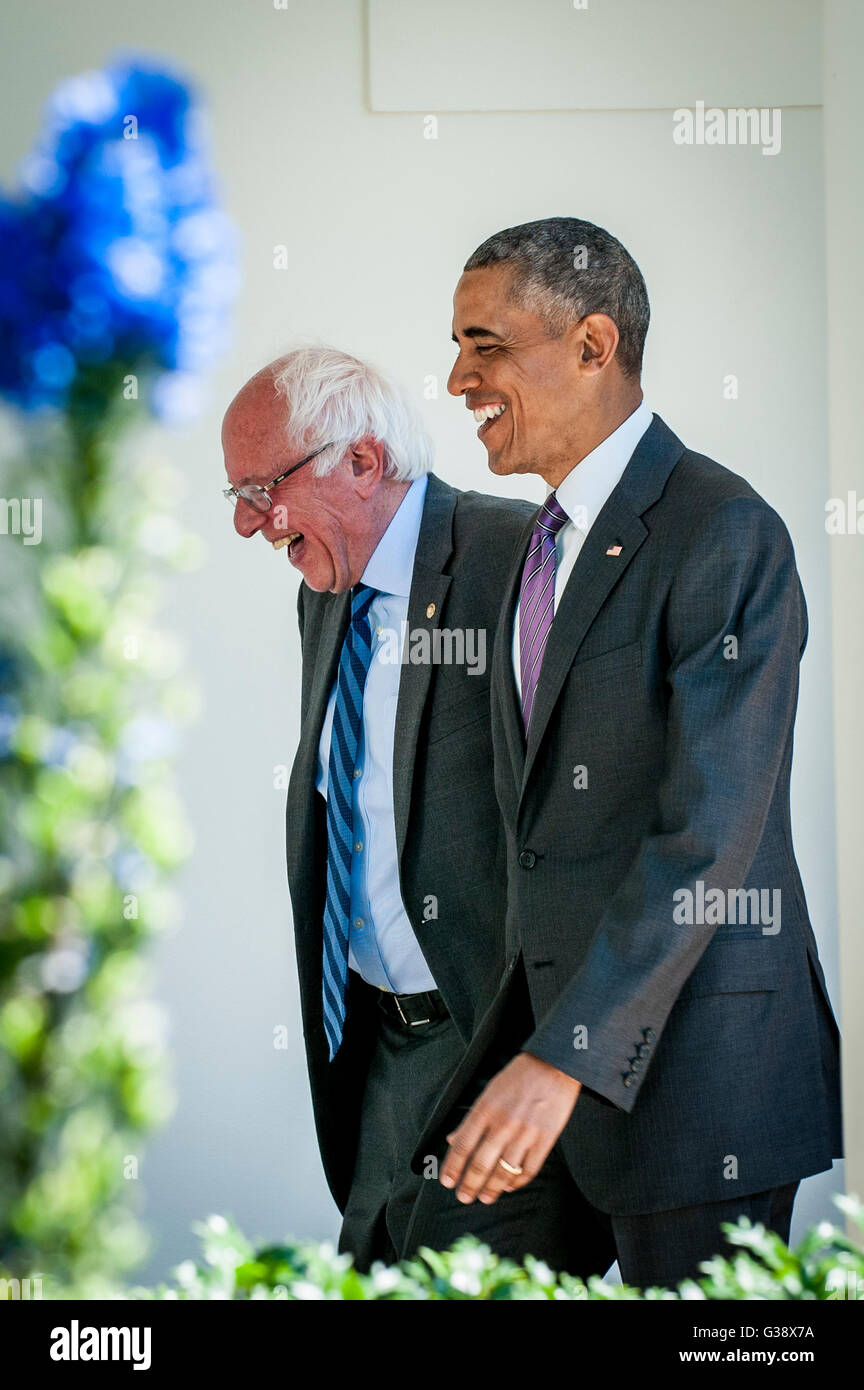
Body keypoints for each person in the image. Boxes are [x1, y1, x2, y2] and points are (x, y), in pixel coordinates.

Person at [408, 217, 843, 1289]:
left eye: (486, 345)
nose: (458, 377)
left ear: (595, 345)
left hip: (698, 1079)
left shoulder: (725, 532)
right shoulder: (533, 544)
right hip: (540, 1057)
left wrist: (565, 1057)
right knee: (428, 1270)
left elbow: (709, 837)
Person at [221, 346, 534, 1270]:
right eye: (234, 496)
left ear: (361, 462)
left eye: (262, 489)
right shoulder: (324, 596)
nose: (248, 526)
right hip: (378, 1054)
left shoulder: (518, 559)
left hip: (489, 1051)